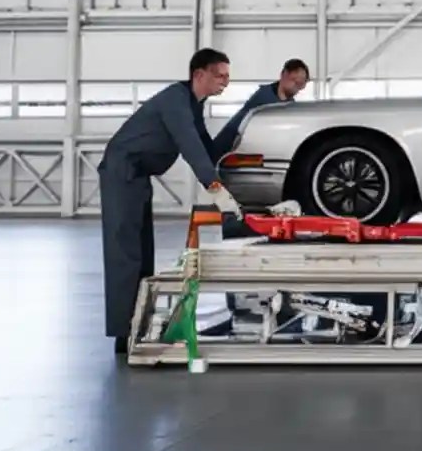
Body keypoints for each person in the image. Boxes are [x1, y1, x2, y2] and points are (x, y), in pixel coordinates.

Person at [99, 48, 242, 355]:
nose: (225, 83)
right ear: (199, 74)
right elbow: (190, 146)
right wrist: (217, 192)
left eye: (229, 77)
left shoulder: (193, 104)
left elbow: (207, 146)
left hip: (138, 177)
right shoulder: (175, 102)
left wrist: (236, 154)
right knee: (125, 253)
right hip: (121, 173)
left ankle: (137, 321)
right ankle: (123, 334)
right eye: (220, 76)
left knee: (142, 252)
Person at [211, 58, 311, 160]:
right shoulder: (264, 97)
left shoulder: (290, 106)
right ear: (284, 74)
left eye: (301, 85)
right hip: (228, 148)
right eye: (295, 81)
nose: (297, 88)